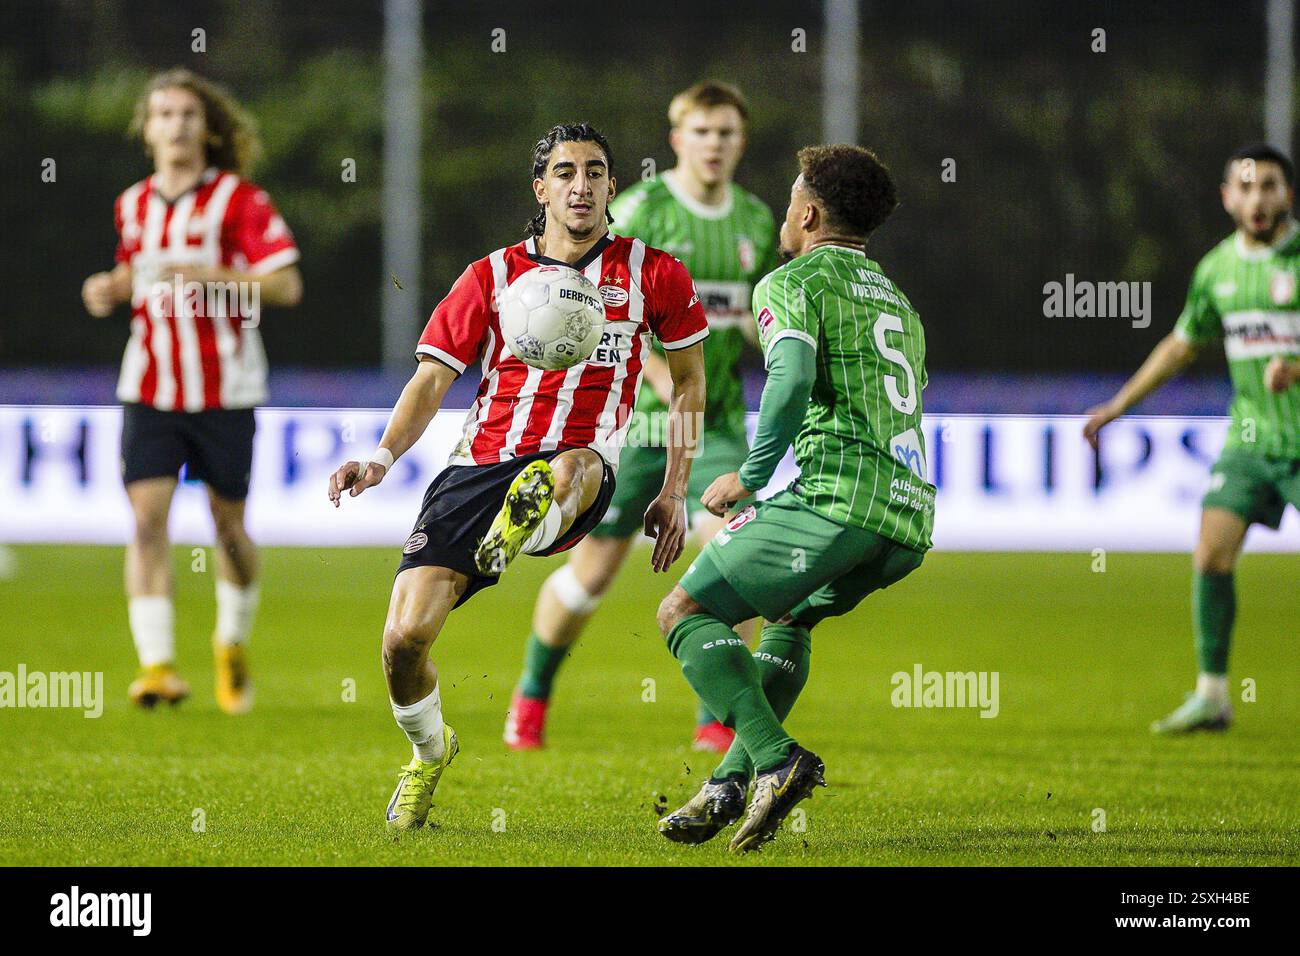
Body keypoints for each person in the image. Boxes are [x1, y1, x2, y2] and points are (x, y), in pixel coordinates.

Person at [326, 123, 709, 832]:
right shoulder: (491, 275)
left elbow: (688, 381)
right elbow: (431, 378)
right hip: (478, 468)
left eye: (596, 172)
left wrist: (675, 487)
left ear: (613, 187)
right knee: (403, 643)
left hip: (583, 463)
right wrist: (379, 458)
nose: (582, 186)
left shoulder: (654, 273)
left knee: (570, 467)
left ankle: (529, 525)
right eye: (565, 173)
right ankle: (430, 752)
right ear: (542, 190)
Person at [654, 145, 934, 853]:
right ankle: (726, 784)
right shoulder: (898, 299)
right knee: (787, 616)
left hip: (838, 503)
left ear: (807, 213)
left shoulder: (790, 281)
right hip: (906, 518)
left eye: (789, 200)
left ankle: (777, 762)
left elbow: (787, 380)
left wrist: (750, 474)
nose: (784, 213)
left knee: (684, 610)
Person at [504, 81, 779, 754]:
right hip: (627, 426)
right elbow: (589, 305)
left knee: (734, 552)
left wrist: (754, 332)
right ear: (678, 138)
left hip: (712, 428)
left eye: (727, 133)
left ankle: (718, 715)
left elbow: (764, 323)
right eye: (702, 132)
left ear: (740, 142)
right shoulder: (640, 210)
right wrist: (664, 375)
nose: (715, 144)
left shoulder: (755, 222)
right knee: (591, 577)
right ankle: (532, 694)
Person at [81, 68, 302, 714]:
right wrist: (111, 288)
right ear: (147, 130)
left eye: (186, 114)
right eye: (163, 114)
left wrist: (211, 275)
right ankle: (157, 667)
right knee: (147, 521)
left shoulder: (239, 200)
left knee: (227, 530)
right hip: (149, 383)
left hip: (225, 388)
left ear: (206, 128)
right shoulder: (132, 204)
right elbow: (137, 273)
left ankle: (230, 642)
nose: (176, 125)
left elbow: (286, 286)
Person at [1084, 143, 1300, 735]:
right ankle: (1212, 696)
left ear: (1287, 194)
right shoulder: (1217, 271)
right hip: (1252, 441)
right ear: (1229, 198)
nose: (1259, 199)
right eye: (1247, 187)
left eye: (1270, 186)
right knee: (1210, 555)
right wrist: (1118, 406)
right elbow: (1182, 344)